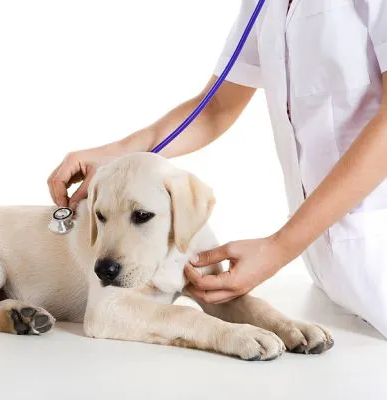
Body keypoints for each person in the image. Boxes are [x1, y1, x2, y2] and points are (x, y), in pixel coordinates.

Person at [47, 0, 387, 338]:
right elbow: (216, 108)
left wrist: (280, 247)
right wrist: (117, 155)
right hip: (334, 275)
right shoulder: (264, 5)